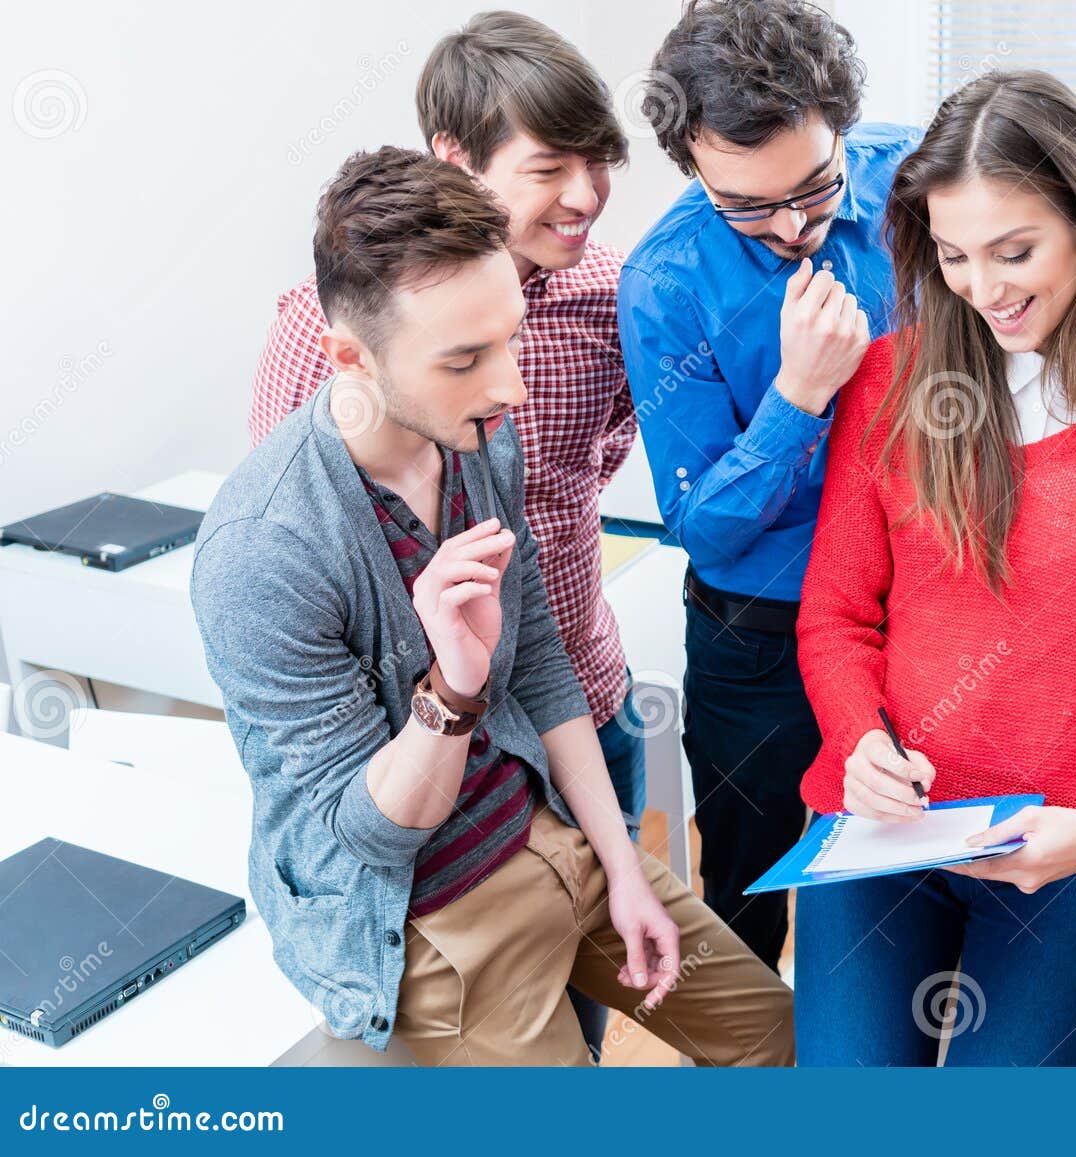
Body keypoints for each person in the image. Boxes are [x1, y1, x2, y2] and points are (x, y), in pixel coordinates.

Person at [192, 147, 794, 1066]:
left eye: (509, 336)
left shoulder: (480, 437)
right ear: (349, 357)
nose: (510, 384)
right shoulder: (263, 549)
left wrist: (624, 867)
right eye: (466, 357)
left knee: (777, 1032)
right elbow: (366, 834)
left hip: (546, 836)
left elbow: (546, 656)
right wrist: (453, 688)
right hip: (427, 921)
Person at [792, 70, 1076, 1066]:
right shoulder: (891, 379)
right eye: (954, 256)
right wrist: (857, 737)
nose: (983, 288)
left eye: (1015, 251)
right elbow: (836, 616)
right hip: (891, 833)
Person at [249, 13, 639, 1049]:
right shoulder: (323, 338)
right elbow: (309, 534)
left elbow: (601, 460)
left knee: (596, 1002)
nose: (586, 195)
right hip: (431, 770)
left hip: (578, 701)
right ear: (455, 163)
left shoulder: (614, 293)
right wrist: (446, 688)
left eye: (598, 162)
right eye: (550, 165)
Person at [617, 0, 920, 968]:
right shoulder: (663, 283)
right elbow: (703, 528)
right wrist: (797, 395)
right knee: (746, 888)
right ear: (693, 164)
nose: (792, 225)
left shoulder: (918, 176)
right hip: (761, 632)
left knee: (893, 872)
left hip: (909, 609)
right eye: (748, 204)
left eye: (814, 185)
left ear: (842, 125)